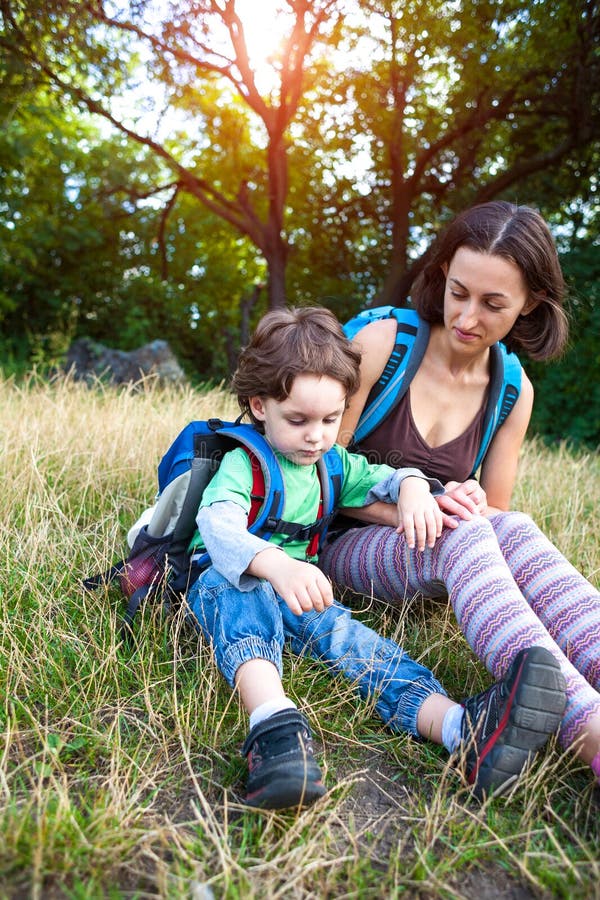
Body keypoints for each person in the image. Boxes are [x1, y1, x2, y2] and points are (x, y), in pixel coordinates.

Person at [186, 305, 566, 810]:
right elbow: (217, 527)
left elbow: (380, 477)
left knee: (350, 640)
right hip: (229, 579)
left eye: (330, 419)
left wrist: (412, 486)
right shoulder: (244, 463)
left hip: (299, 585)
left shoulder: (331, 462)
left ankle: (459, 729)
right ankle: (273, 727)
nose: (316, 437)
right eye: (297, 420)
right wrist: (274, 563)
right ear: (259, 405)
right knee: (248, 614)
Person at [317, 201, 600, 785]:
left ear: (530, 306)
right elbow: (310, 471)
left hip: (433, 550)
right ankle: (587, 730)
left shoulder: (512, 389)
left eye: (494, 304)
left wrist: (466, 503)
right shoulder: (383, 342)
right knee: (459, 529)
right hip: (333, 544)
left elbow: (493, 508)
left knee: (513, 526)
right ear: (442, 272)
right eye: (458, 291)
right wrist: (408, 502)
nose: (468, 317)